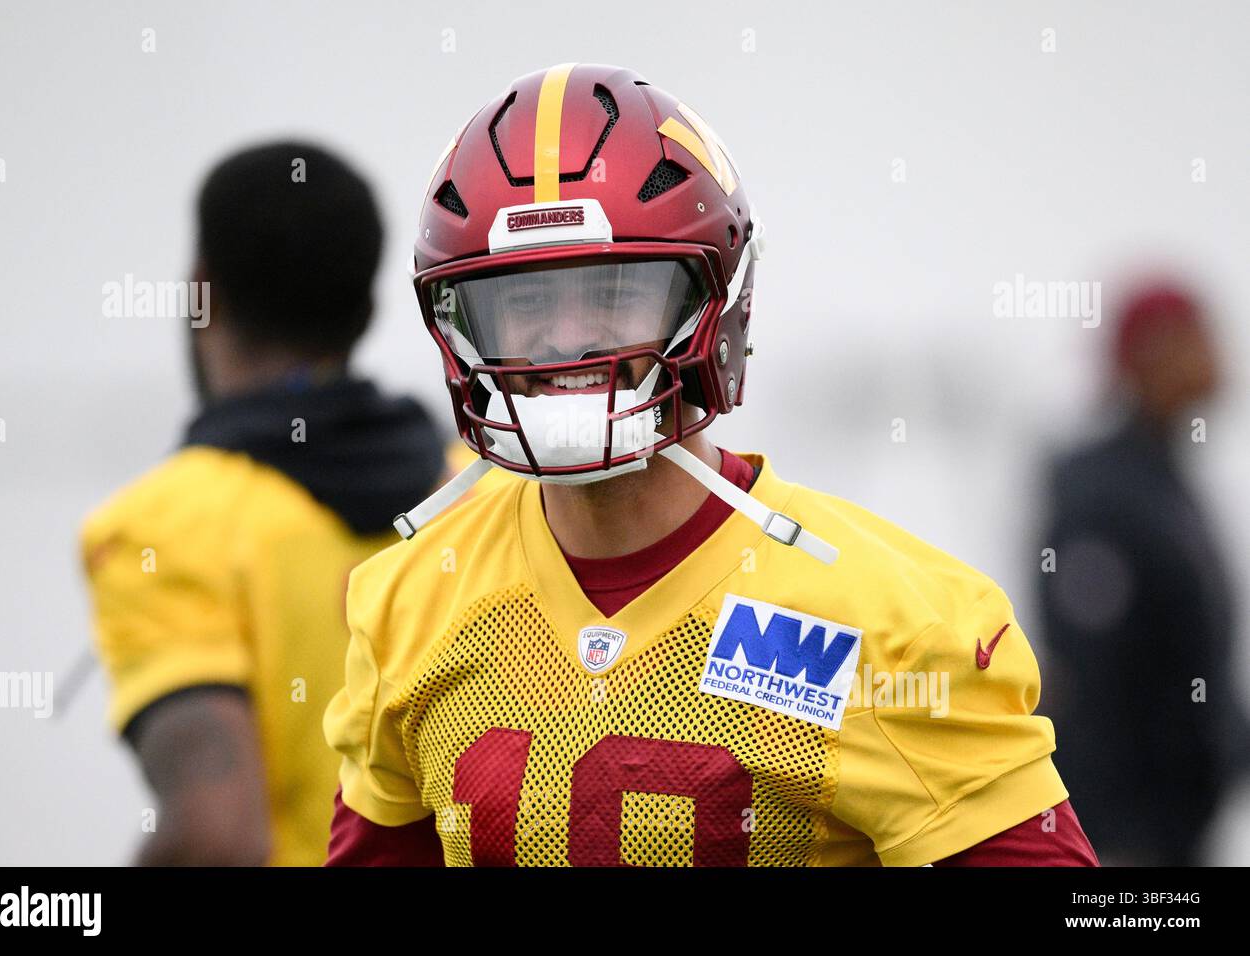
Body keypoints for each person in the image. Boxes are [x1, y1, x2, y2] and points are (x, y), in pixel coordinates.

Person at [323, 64, 1097, 866]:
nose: (564, 342)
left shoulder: (894, 628)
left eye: (610, 293)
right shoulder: (408, 601)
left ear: (716, 300)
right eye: (522, 304)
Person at [81, 141, 445, 865]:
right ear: (368, 308)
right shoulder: (481, 491)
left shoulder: (163, 526)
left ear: (202, 291)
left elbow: (214, 838)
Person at [1037, 281, 1242, 865]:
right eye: (1191, 338)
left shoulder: (1166, 481)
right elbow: (1095, 682)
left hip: (1177, 833)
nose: (1213, 354)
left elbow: (1191, 679)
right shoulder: (1102, 495)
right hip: (1121, 837)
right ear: (1144, 357)